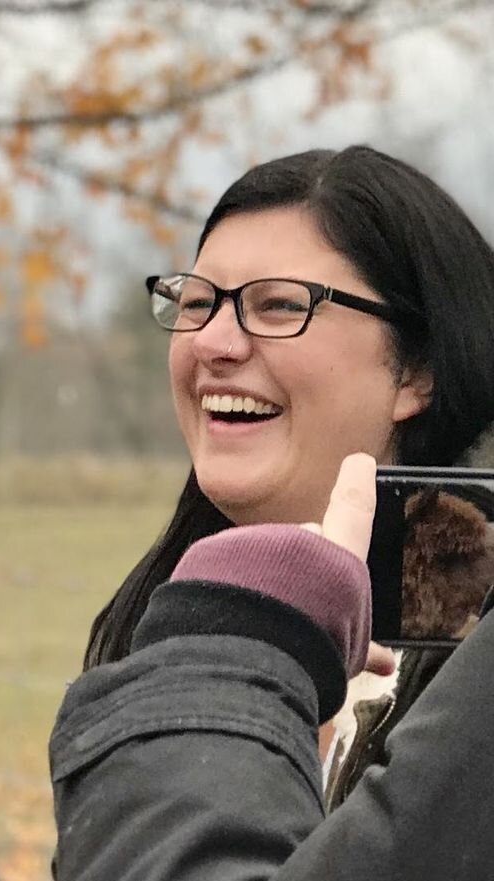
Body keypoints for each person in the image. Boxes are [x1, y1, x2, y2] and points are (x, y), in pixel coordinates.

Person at [49, 145, 494, 880]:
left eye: (280, 304)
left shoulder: (466, 667)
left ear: (416, 368)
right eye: (196, 301)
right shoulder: (179, 625)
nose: (214, 343)